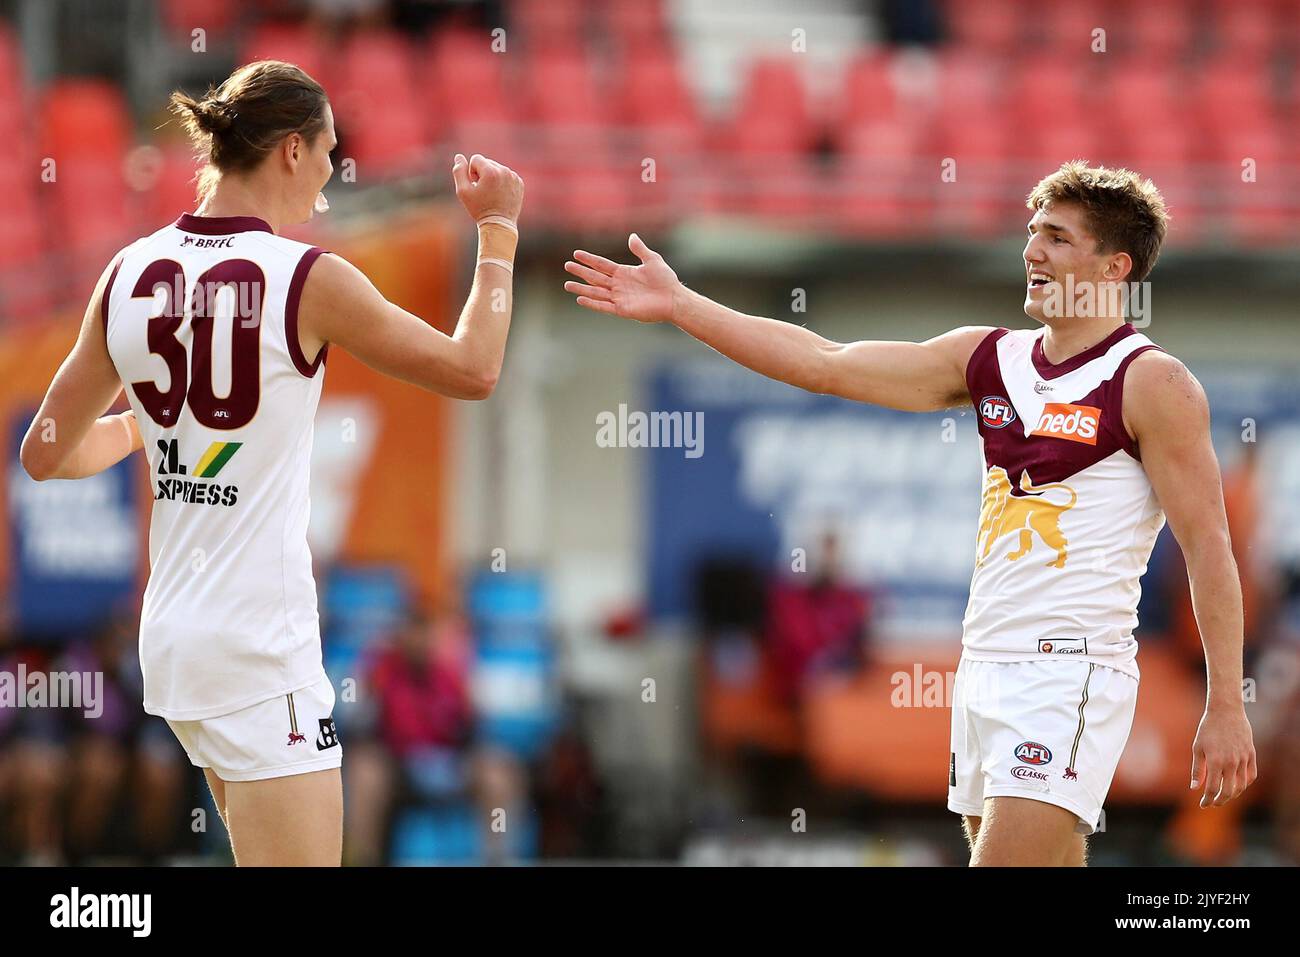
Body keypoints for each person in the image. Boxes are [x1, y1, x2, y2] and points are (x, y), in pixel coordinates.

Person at [563, 160, 1257, 866]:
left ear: (1116, 267)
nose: (1031, 251)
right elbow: (827, 361)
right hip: (984, 668)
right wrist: (684, 305)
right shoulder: (987, 359)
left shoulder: (1153, 381)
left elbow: (1209, 547)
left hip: (1068, 674)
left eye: (1056, 236)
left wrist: (1226, 703)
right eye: (1030, 233)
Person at [19, 60, 524, 866]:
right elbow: (475, 368)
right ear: (291, 150)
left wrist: (145, 430)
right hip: (258, 647)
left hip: (175, 642)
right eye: (328, 151)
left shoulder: (128, 271)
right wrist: (498, 234)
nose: (331, 173)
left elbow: (42, 452)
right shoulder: (307, 278)